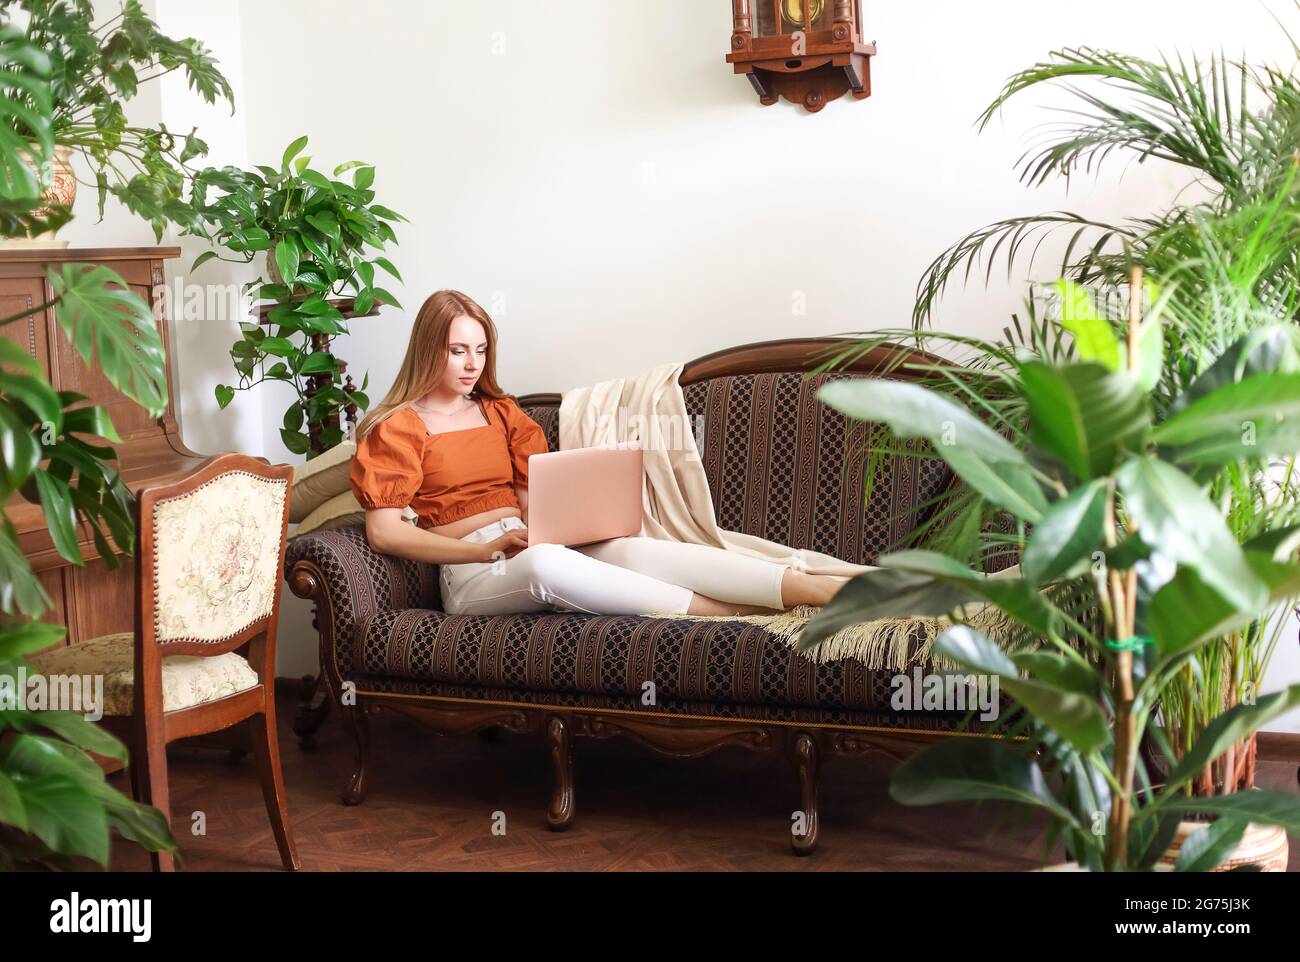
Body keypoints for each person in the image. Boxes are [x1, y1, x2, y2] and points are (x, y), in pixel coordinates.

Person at [351, 290, 846, 617]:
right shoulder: (397, 426)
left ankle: (815, 591)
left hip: (530, 544)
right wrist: (481, 550)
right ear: (428, 349)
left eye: (480, 350)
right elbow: (385, 532)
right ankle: (737, 617)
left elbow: (532, 502)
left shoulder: (501, 413)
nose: (472, 364)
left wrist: (563, 529)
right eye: (458, 350)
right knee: (547, 567)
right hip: (474, 573)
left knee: (632, 549)